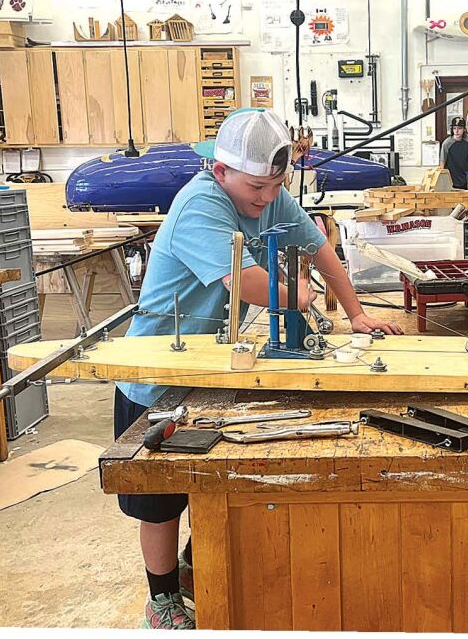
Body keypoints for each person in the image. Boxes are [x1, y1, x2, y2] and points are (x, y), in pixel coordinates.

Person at [115, 108, 402, 629]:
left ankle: (190, 570)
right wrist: (298, 297)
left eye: (276, 186)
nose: (267, 199)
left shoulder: (265, 192)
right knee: (160, 502)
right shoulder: (200, 205)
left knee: (207, 482)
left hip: (215, 369)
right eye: (257, 187)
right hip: (156, 370)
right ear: (220, 171)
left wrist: (356, 313)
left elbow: (318, 248)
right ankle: (161, 603)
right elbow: (242, 280)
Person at [439, 115, 468, 189]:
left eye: (459, 128)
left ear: (464, 129)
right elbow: (442, 162)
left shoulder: (467, 140)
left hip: (464, 177)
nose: (456, 131)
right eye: (454, 128)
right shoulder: (446, 143)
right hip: (450, 180)